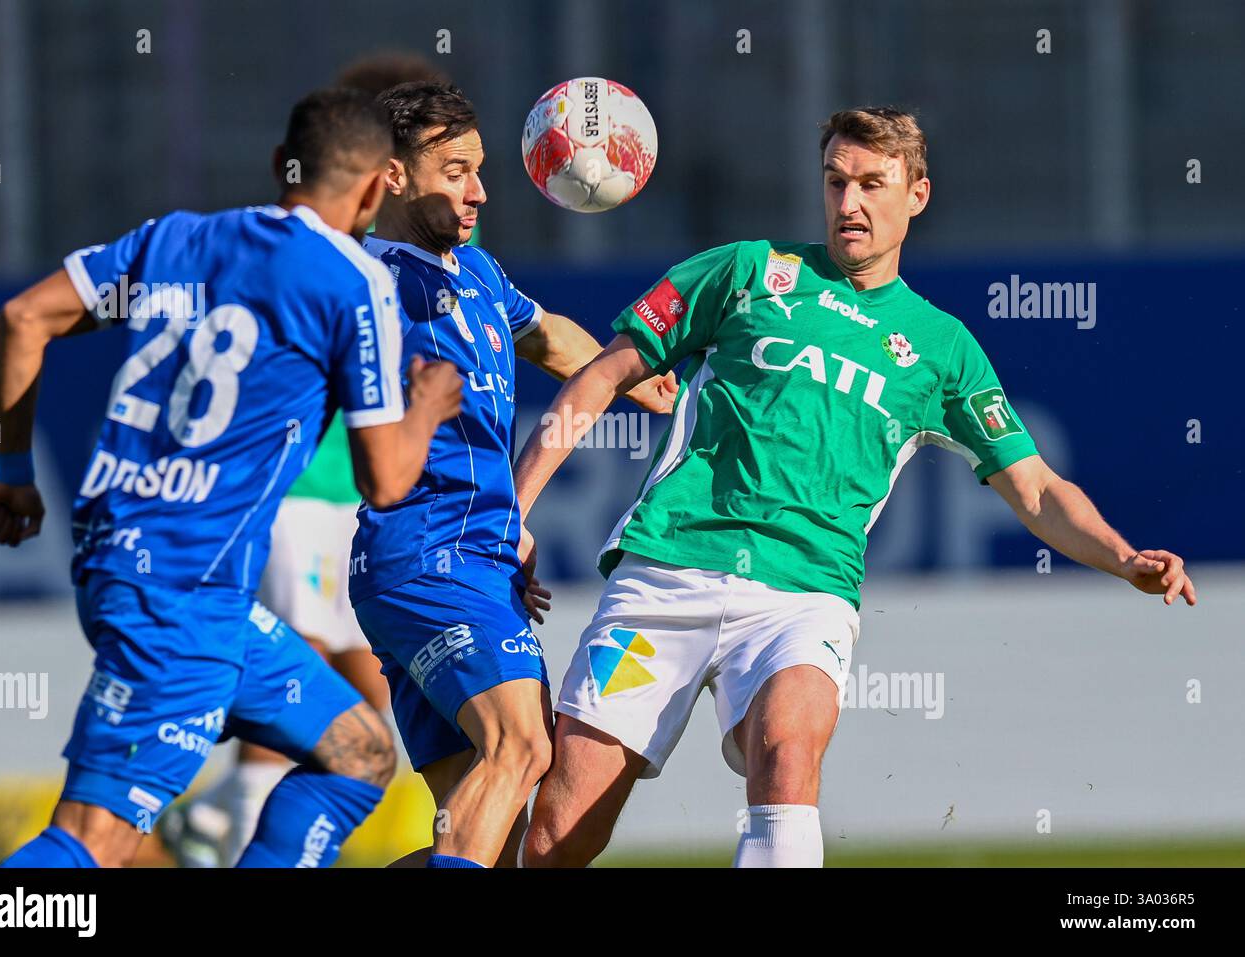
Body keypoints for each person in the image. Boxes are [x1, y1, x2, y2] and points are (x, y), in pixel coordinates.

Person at [511, 107, 1197, 868]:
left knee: (788, 752)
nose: (849, 203)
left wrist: (1122, 555)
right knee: (558, 830)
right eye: (837, 182)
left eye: (873, 184)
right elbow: (602, 375)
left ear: (918, 195)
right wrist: (516, 510)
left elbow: (1035, 488)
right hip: (665, 573)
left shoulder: (941, 349)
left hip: (804, 596)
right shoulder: (746, 270)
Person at [0, 88, 462, 867]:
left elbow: (23, 317)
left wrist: (11, 472)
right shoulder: (352, 282)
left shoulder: (173, 240)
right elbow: (385, 480)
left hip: (170, 579)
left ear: (281, 165)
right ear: (379, 188)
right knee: (93, 840)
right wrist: (429, 406)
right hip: (181, 592)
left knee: (358, 752)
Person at [351, 81, 676, 868]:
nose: (480, 190)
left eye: (482, 168)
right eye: (456, 170)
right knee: (525, 744)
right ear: (393, 175)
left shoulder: (477, 273)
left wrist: (640, 375)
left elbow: (547, 336)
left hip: (462, 562)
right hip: (429, 557)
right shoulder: (365, 281)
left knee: (485, 843)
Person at [163, 50, 454, 870]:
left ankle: (220, 819)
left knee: (362, 703)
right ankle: (225, 828)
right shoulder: (332, 257)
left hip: (346, 508)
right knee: (307, 689)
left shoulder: (361, 251)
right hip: (302, 499)